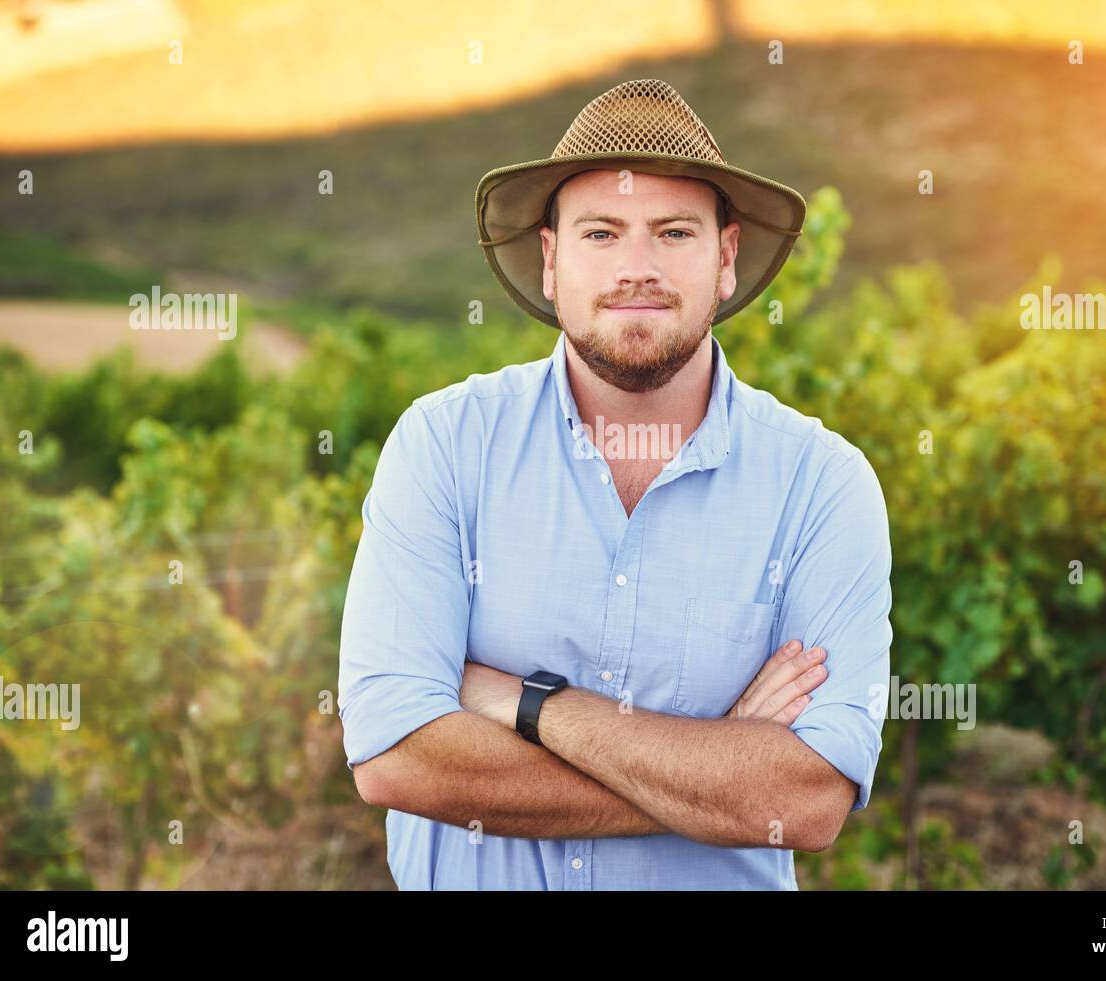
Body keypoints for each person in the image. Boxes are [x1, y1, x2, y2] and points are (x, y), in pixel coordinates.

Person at [338, 78, 892, 889]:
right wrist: (714, 771)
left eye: (673, 232)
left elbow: (806, 798)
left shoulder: (822, 486)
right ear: (553, 261)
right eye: (602, 233)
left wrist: (533, 707)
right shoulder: (445, 445)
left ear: (726, 259)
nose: (638, 268)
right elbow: (396, 759)